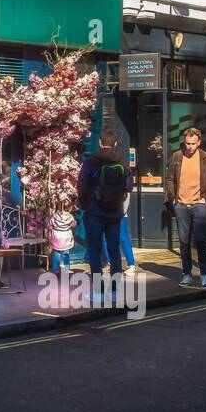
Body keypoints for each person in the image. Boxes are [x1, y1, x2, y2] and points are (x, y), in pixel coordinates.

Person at [77, 128, 133, 303]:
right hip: (114, 213)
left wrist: (85, 205)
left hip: (94, 212)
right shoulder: (122, 160)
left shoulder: (92, 161)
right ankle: (115, 290)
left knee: (95, 251)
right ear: (115, 143)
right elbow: (129, 186)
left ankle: (98, 291)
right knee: (114, 251)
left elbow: (81, 184)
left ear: (100, 142)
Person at [166, 125, 206, 288]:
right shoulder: (177, 156)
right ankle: (187, 274)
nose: (189, 147)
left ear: (198, 142)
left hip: (199, 205)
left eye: (192, 144)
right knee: (184, 242)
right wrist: (173, 199)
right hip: (181, 205)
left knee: (200, 240)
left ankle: (205, 275)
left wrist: (205, 198)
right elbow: (169, 179)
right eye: (187, 143)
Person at [49, 201, 76, 273]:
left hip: (56, 237)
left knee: (56, 254)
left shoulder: (54, 216)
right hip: (66, 237)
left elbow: (50, 225)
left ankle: (55, 270)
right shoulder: (70, 216)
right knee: (66, 254)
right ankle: (67, 270)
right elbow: (74, 224)